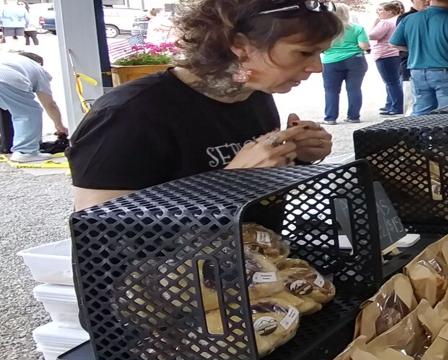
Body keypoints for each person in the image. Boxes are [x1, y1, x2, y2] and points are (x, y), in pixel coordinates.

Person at [68, 0, 340, 209]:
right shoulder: (129, 114)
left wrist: (295, 156)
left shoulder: (255, 95)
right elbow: (98, 230)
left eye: (320, 53)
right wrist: (228, 182)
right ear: (240, 45)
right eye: (304, 52)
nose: (317, 67)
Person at [1, 50, 66, 163]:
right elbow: (50, 104)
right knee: (29, 112)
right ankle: (26, 152)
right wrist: (60, 126)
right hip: (6, 78)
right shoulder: (38, 69)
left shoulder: (13, 60)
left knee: (13, 109)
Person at [319, 5, 370, 124]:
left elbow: (320, 46)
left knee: (331, 91)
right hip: (356, 60)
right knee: (354, 89)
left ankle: (330, 118)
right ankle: (353, 117)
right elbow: (364, 46)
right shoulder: (357, 28)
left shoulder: (325, 29)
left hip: (331, 61)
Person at [368, 1, 406, 116]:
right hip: (395, 53)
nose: (378, 12)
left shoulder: (385, 23)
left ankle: (397, 107)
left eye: (381, 10)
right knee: (394, 81)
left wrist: (375, 24)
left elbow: (372, 35)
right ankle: (390, 104)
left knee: (391, 82)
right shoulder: (398, 21)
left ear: (390, 12)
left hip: (385, 54)